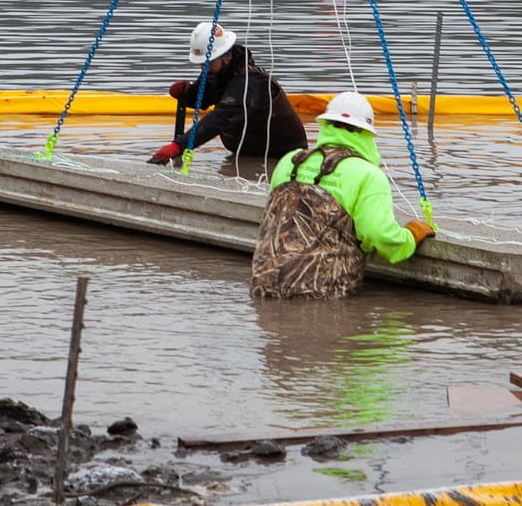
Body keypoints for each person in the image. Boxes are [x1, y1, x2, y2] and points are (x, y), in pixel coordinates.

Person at [250, 91, 436, 299]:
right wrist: (410, 237)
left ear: (326, 125)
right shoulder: (368, 175)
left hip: (264, 286)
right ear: (366, 134)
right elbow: (377, 235)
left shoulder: (290, 161)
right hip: (321, 295)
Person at [149, 22, 307, 166]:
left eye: (208, 63)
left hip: (283, 158)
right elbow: (203, 99)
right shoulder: (217, 73)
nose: (204, 68)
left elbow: (220, 119)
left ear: (226, 56)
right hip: (248, 154)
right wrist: (188, 94)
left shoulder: (250, 83)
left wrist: (179, 145)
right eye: (201, 64)